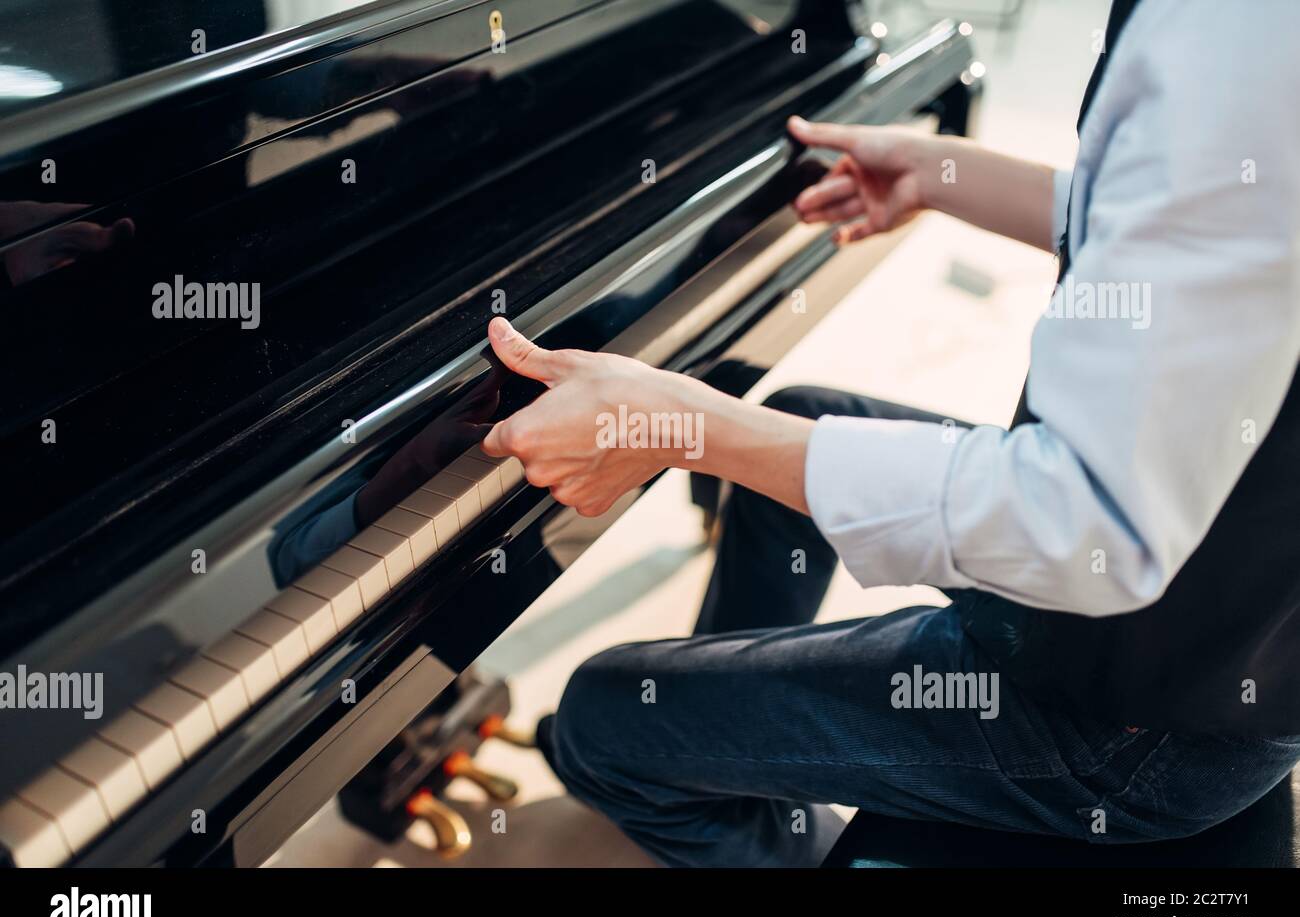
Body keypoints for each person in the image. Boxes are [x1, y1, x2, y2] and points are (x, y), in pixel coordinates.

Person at [479, 0, 1300, 866]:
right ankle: (727, 750)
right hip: (1185, 600)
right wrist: (939, 173)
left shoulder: (1241, 32)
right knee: (796, 416)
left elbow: (1082, 529)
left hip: (1134, 718)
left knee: (602, 716)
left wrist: (681, 423)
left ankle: (802, 843)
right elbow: (1195, 236)